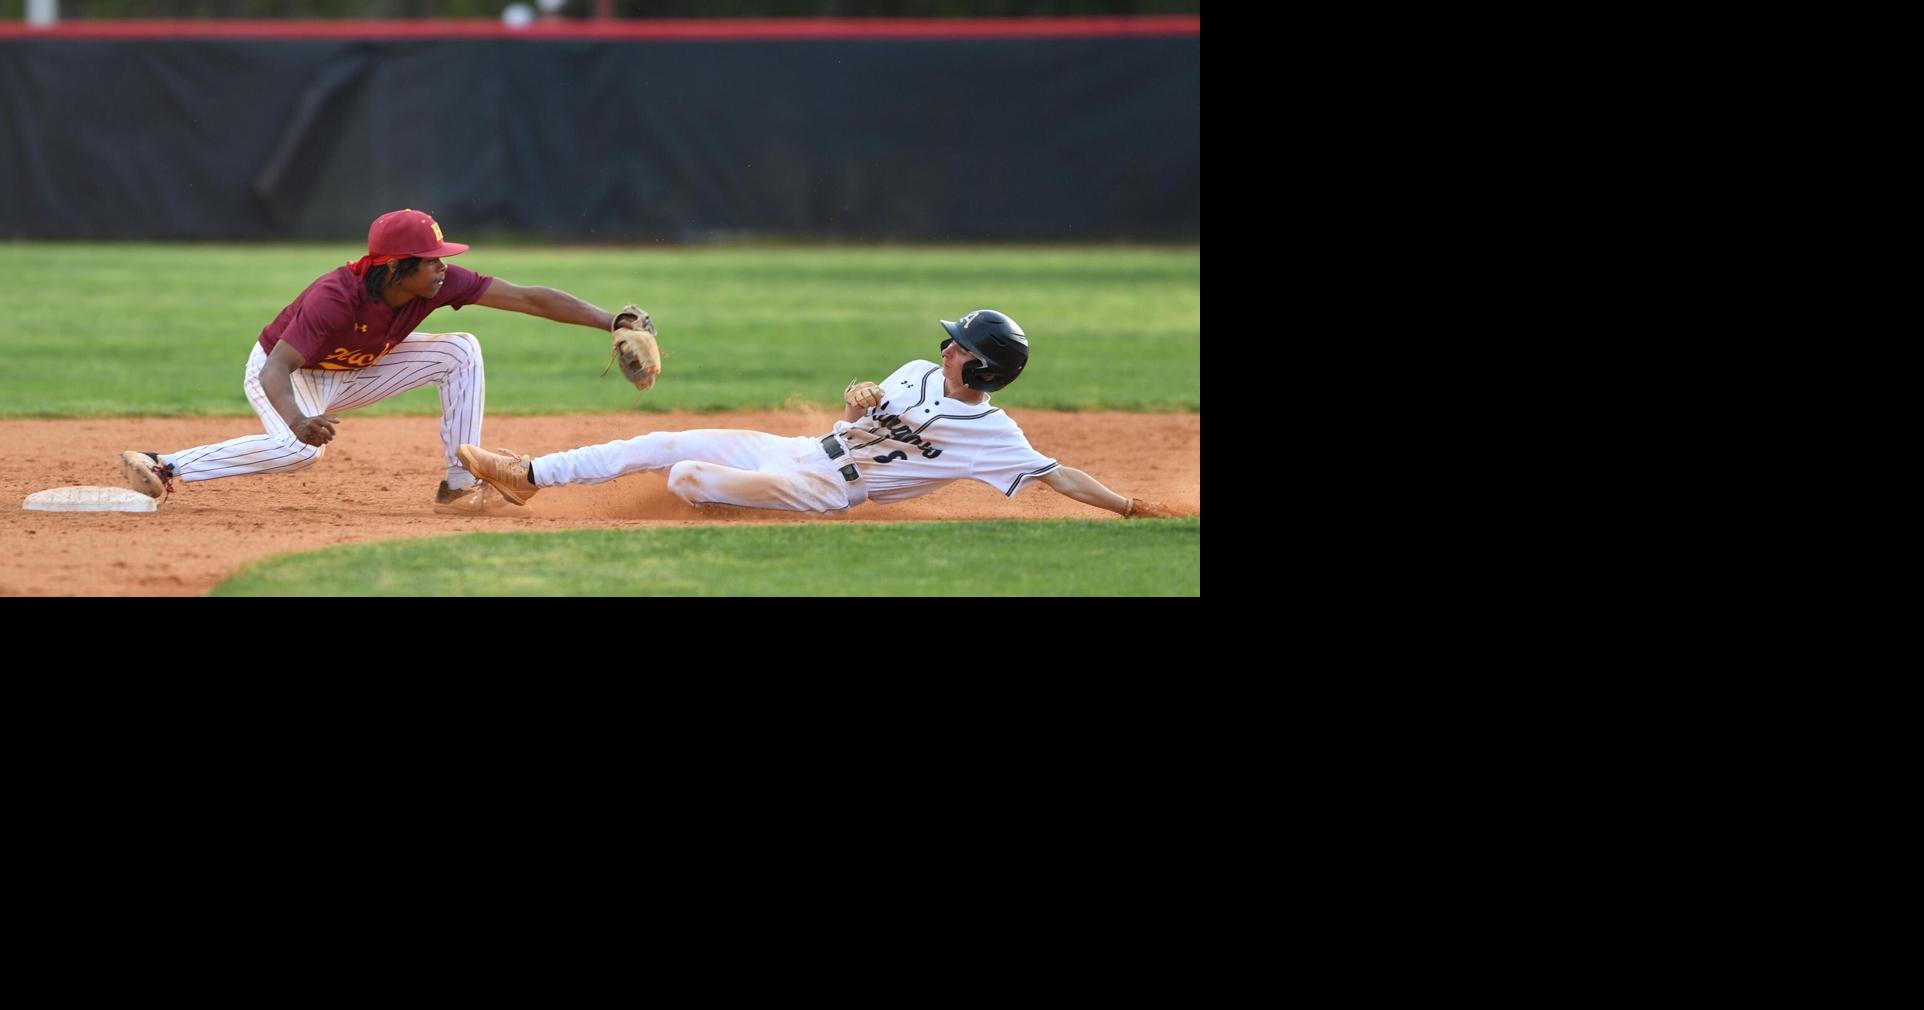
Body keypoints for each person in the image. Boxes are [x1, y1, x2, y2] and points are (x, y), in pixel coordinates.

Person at [117, 208, 648, 515]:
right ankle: (165, 465)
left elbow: (529, 298)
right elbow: (273, 370)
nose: (443, 271)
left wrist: (611, 321)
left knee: (460, 349)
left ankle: (460, 485)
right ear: (395, 267)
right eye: (432, 263)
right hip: (289, 374)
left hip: (355, 369)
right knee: (298, 452)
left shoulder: (435, 285)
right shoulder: (335, 297)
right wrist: (300, 421)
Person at [454, 309, 1184, 518]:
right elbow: (860, 410)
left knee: (681, 476)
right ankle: (528, 473)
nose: (946, 346)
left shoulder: (994, 434)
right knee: (666, 438)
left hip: (829, 491)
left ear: (985, 370)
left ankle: (726, 506)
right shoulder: (919, 371)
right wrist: (855, 394)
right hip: (798, 451)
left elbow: (1058, 476)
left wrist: (1129, 507)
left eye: (960, 346)